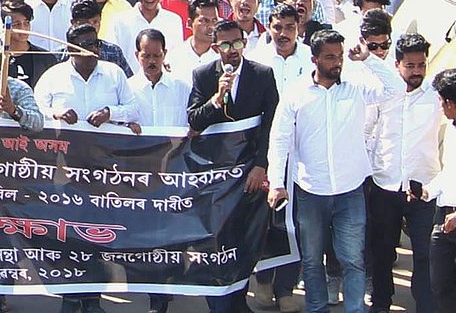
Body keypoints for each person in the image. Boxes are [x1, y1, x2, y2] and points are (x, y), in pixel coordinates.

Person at [267, 30, 404, 313]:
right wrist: (276, 182)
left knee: (353, 259)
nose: (337, 62)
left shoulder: (356, 87)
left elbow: (396, 89)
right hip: (311, 191)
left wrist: (368, 59)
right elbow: (279, 139)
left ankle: (355, 309)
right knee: (312, 261)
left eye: (340, 56)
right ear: (315, 59)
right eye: (330, 57)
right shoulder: (296, 93)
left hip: (350, 190)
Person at [187, 17, 280, 313]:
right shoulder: (203, 75)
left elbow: (271, 125)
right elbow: (194, 120)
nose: (233, 50)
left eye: (238, 43)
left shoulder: (262, 74)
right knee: (217, 241)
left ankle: (238, 300)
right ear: (216, 47)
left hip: (249, 174)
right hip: (216, 178)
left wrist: (261, 165)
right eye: (226, 45)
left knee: (245, 241)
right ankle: (219, 303)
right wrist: (217, 99)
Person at [364, 31, 441, 313]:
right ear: (397, 64)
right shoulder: (383, 94)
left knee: (424, 253)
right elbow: (366, 131)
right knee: (382, 252)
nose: (416, 71)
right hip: (385, 185)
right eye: (410, 65)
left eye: (421, 65)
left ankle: (426, 305)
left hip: (424, 187)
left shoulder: (436, 95)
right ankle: (381, 302)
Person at [428, 68, 456, 310]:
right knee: (440, 284)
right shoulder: (451, 129)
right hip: (443, 216)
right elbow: (448, 172)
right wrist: (428, 190)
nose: (440, 106)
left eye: (441, 101)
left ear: (450, 103)